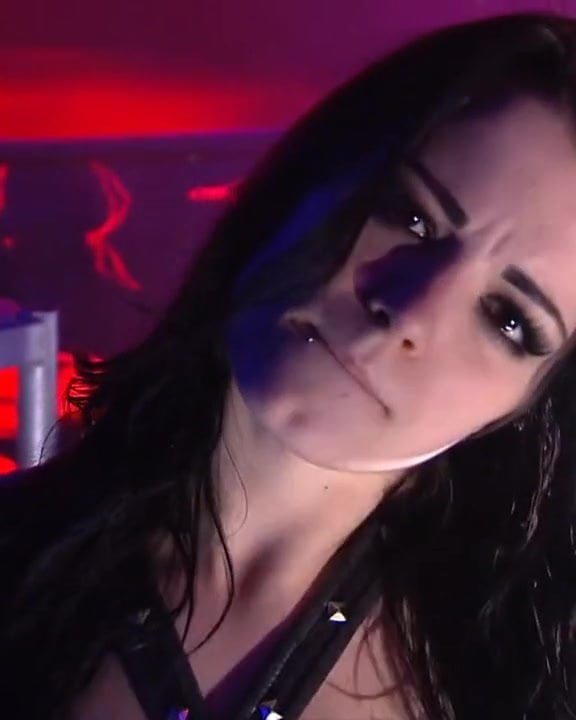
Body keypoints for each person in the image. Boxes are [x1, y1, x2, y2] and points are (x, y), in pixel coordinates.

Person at [2, 10, 576, 720]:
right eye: (412, 215)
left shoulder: (534, 681)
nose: (412, 312)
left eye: (509, 320)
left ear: (534, 401)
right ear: (308, 183)